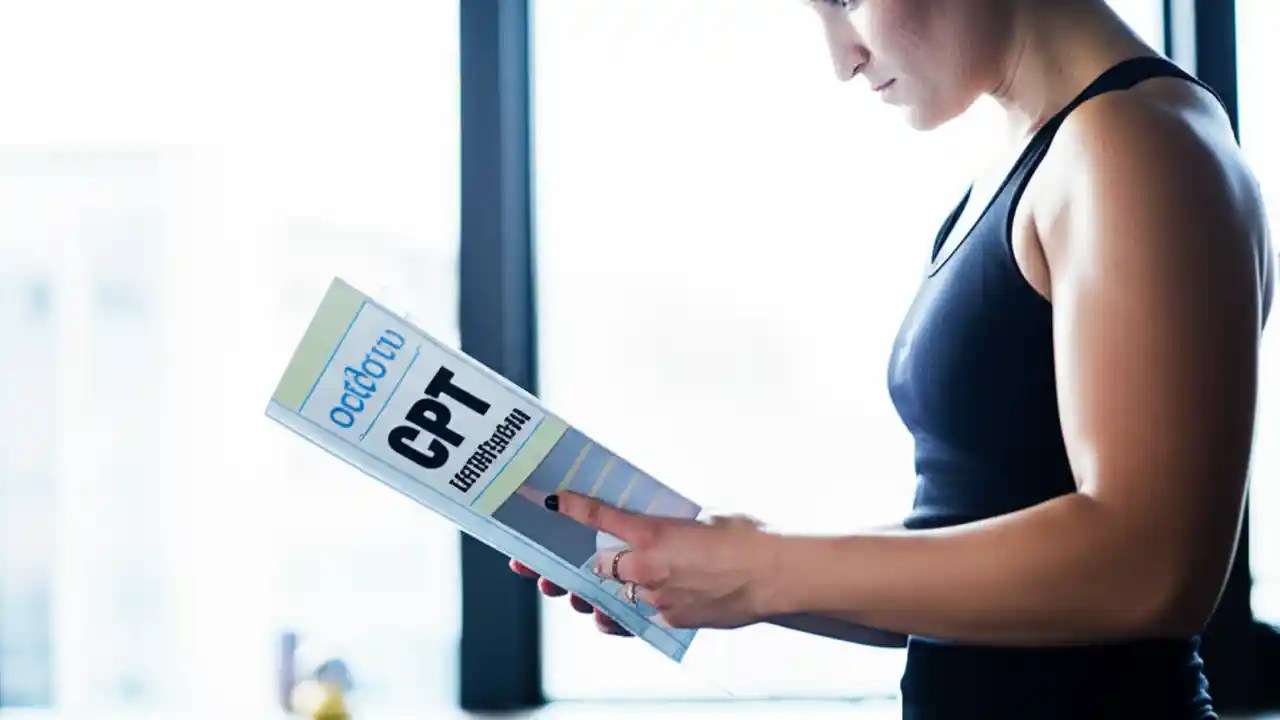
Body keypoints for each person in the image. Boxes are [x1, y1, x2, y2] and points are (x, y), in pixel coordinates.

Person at [510, 0, 1276, 717]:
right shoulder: (1033, 160)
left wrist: (763, 567)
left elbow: (1148, 570)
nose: (842, 59)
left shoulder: (1135, 142)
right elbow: (975, 569)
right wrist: (707, 564)